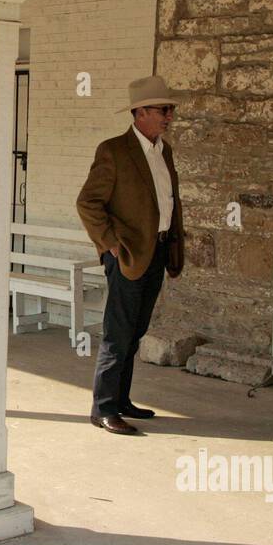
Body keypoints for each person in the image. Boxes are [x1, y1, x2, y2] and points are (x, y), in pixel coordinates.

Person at [76, 75, 186, 435]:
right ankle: (103, 408)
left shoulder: (163, 150)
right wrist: (109, 245)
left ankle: (121, 400)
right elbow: (88, 203)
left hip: (157, 250)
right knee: (118, 332)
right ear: (140, 113)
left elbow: (167, 200)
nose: (169, 116)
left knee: (136, 329)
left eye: (170, 109)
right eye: (163, 110)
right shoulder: (114, 150)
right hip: (127, 254)